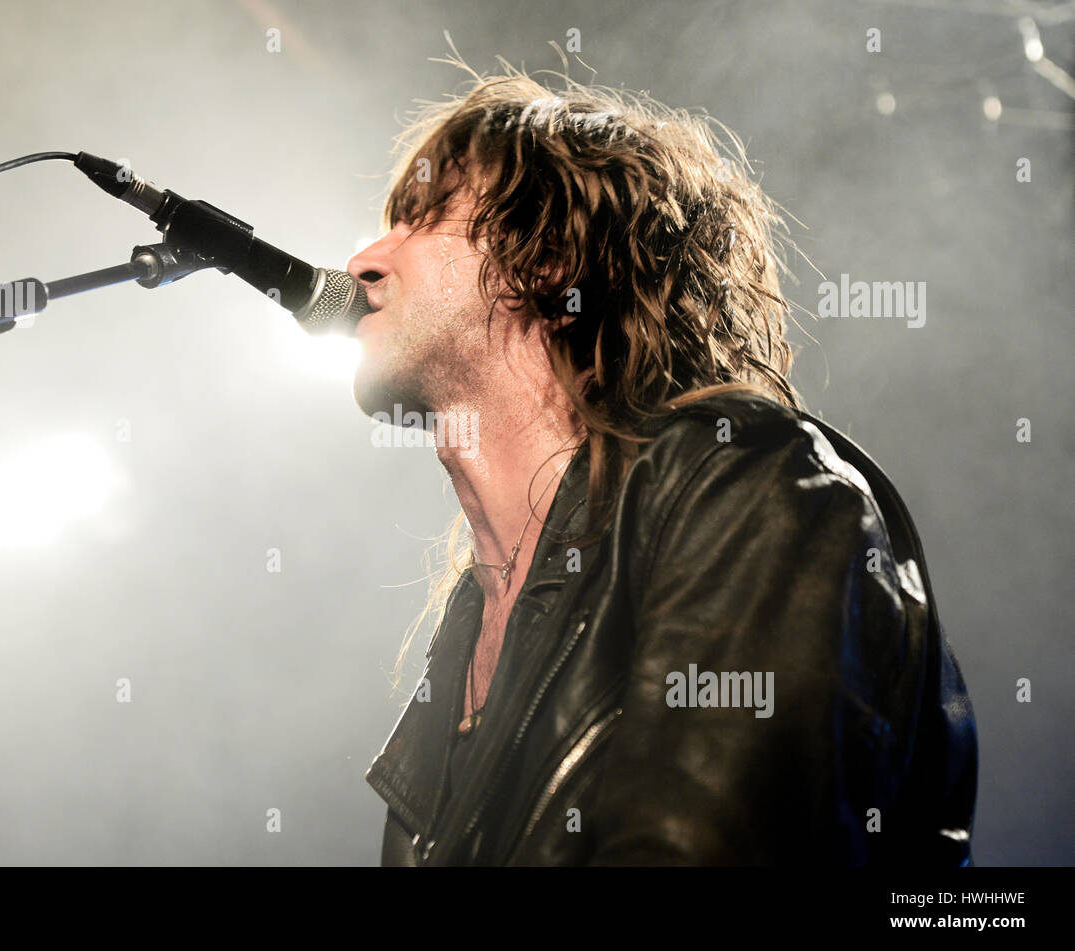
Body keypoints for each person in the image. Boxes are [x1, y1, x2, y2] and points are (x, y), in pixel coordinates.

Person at [346, 64, 978, 866]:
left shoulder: (747, 484)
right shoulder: (467, 632)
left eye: (424, 219)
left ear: (547, 258)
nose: (365, 258)